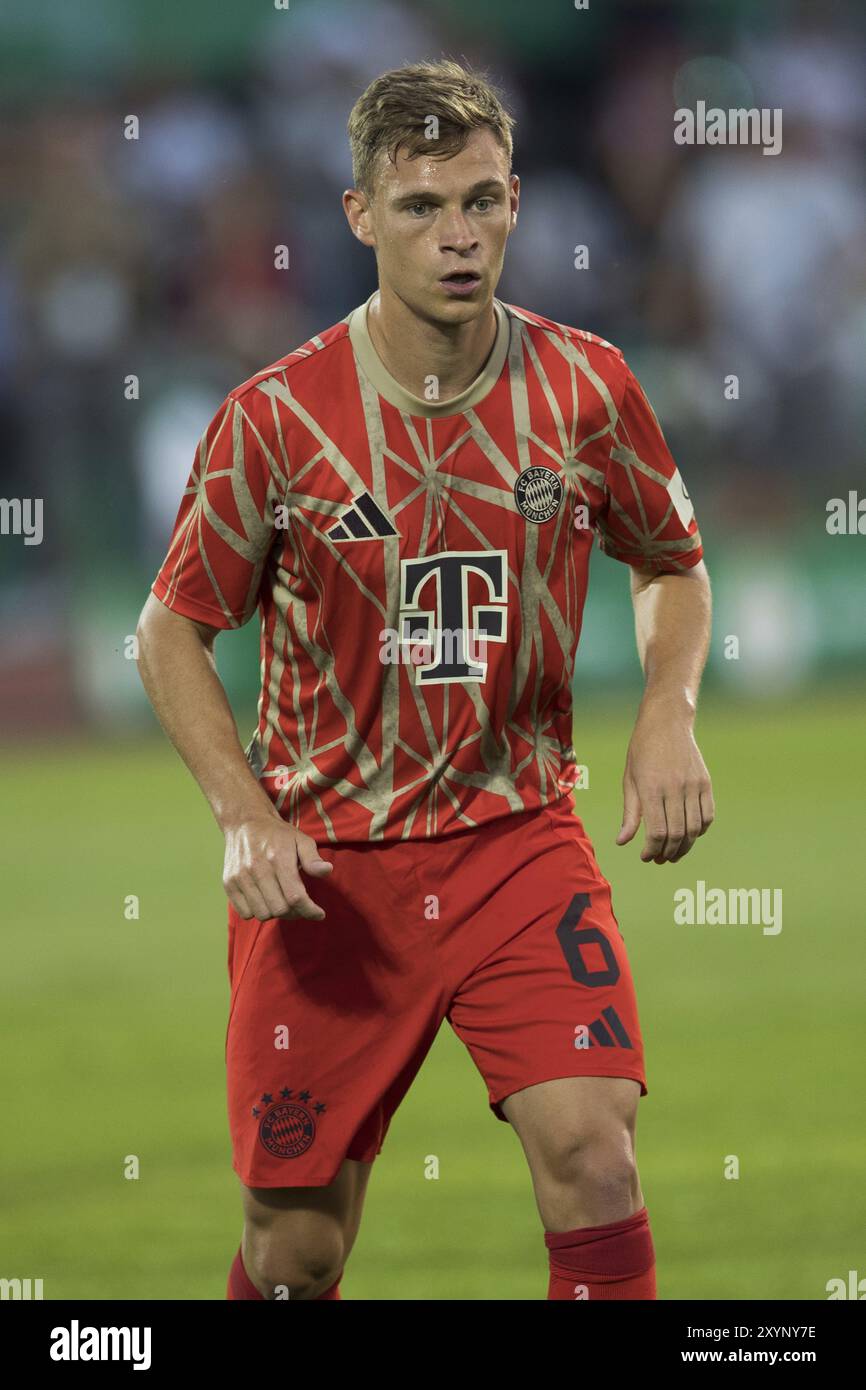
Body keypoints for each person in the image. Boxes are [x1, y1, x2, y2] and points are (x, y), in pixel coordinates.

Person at [136, 58, 714, 1302]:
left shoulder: (587, 385)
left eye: (484, 202)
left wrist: (664, 713)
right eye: (420, 207)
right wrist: (242, 811)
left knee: (594, 1157)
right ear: (358, 217)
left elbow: (671, 561)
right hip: (328, 874)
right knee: (296, 1248)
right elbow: (170, 628)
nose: (459, 236)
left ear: (516, 202)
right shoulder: (274, 419)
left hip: (520, 839)